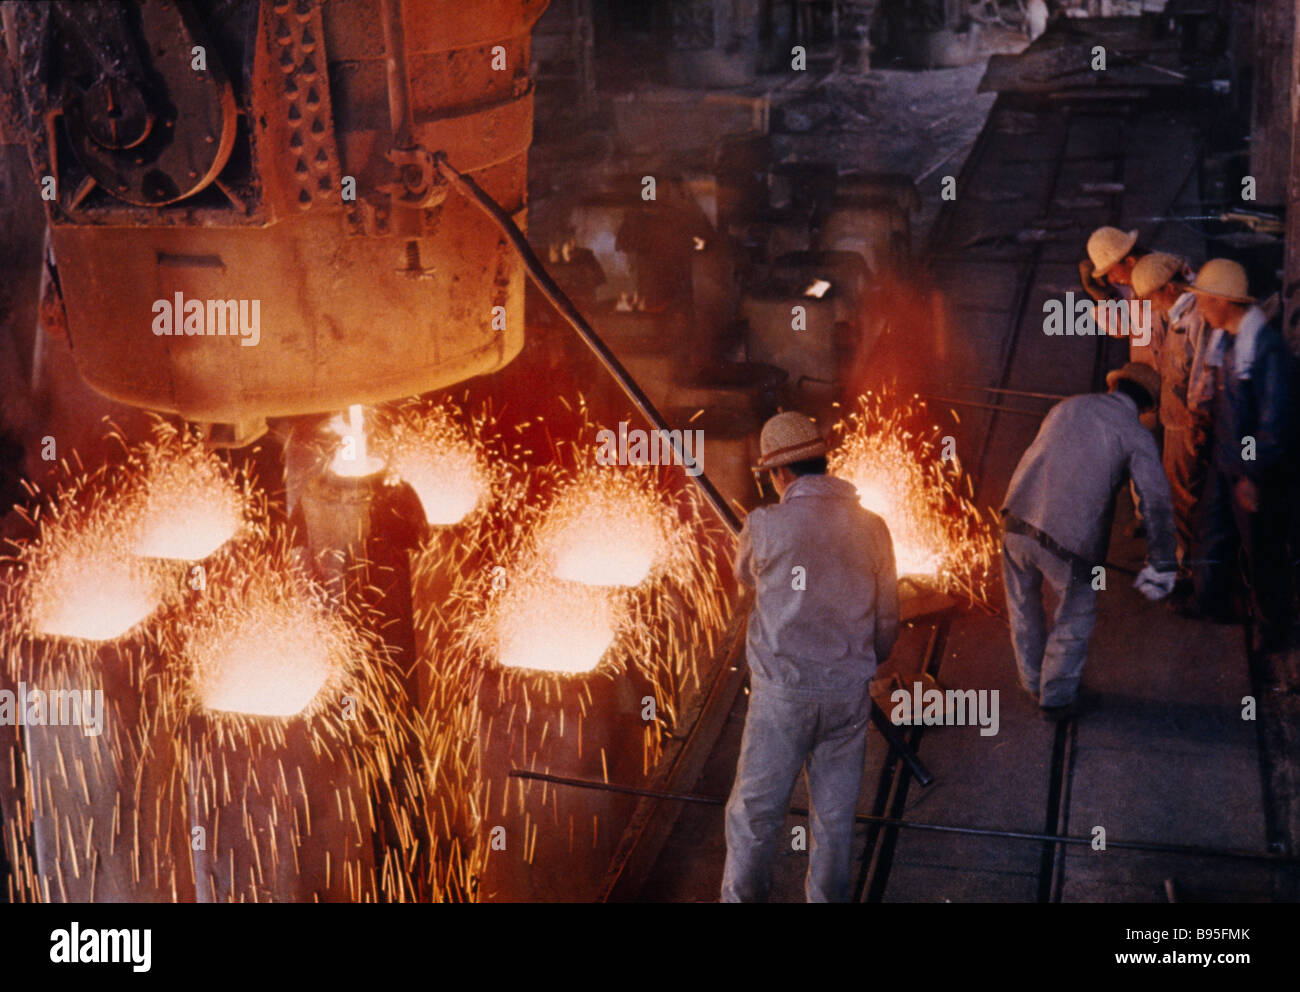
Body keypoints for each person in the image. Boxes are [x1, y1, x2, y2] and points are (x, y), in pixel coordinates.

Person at [722, 411, 898, 903]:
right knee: (836, 820)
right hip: (847, 697)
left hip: (782, 698)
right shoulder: (873, 527)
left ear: (779, 474)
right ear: (823, 461)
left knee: (755, 816)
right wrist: (864, 666)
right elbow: (887, 619)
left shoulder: (764, 523)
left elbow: (744, 576)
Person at [1001, 363, 1178, 719]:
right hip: (1070, 543)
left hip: (1015, 520)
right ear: (1148, 409)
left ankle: (1032, 681)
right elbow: (1155, 503)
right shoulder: (1136, 434)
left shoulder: (1066, 406)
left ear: (1113, 386)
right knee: (1075, 614)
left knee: (1022, 605)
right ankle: (1058, 698)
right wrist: (1162, 561)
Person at [1187, 259, 1293, 650]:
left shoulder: (1265, 349)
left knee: (1260, 549)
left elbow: (1273, 420)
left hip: (1249, 467)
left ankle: (1272, 627)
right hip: (1225, 456)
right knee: (1211, 531)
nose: (1199, 308)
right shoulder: (1228, 339)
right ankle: (1209, 601)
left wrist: (1252, 474)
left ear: (1223, 301)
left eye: (1204, 301)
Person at [1131, 253, 1213, 582]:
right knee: (1177, 498)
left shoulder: (1197, 319)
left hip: (1188, 427)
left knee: (1186, 503)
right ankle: (1185, 564)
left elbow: (1204, 382)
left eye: (1150, 298)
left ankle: (1190, 576)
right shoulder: (1177, 314)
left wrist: (1197, 427)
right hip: (1174, 422)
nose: (1148, 305)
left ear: (1168, 288)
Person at [1080, 225, 1145, 303]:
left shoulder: (1156, 287)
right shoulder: (1133, 284)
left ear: (1130, 262)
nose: (1110, 280)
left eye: (1111, 272)